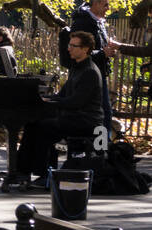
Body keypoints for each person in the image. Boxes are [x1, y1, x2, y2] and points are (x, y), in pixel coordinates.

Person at [17, 30, 105, 186]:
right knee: (33, 124)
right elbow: (62, 95)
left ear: (85, 49)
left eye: (73, 45)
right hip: (74, 117)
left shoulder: (90, 71)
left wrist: (49, 103)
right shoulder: (76, 68)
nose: (69, 48)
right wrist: (44, 99)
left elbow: (76, 102)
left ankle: (45, 174)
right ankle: (22, 171)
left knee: (44, 128)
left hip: (86, 121)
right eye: (69, 45)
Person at [69, 0, 113, 131]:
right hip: (87, 74)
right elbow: (75, 50)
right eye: (105, 5)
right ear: (96, 4)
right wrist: (102, 53)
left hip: (98, 72)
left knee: (101, 113)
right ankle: (101, 148)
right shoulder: (82, 23)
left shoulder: (98, 22)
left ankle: (99, 147)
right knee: (103, 113)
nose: (108, 8)